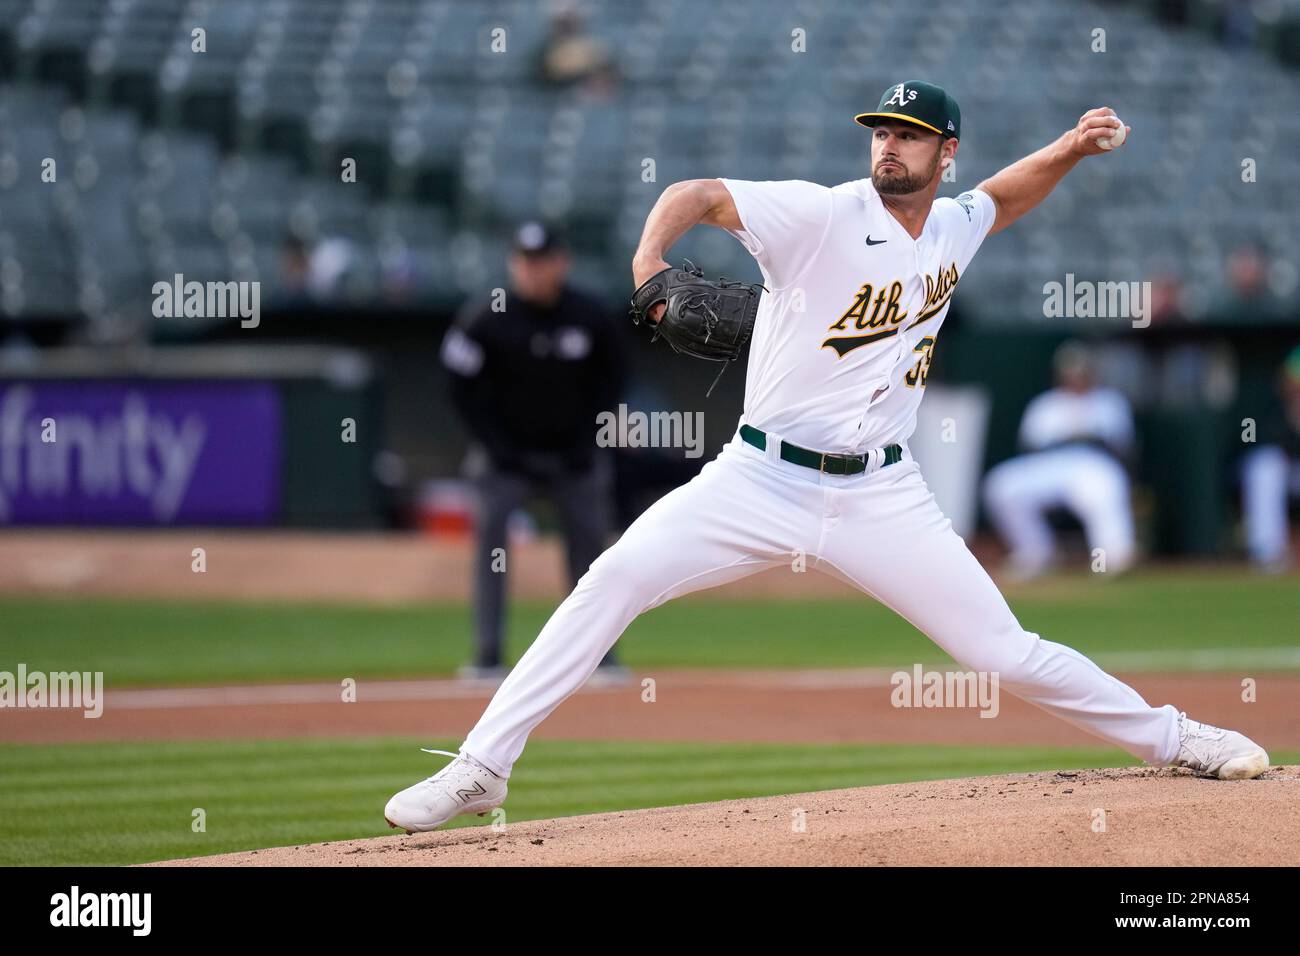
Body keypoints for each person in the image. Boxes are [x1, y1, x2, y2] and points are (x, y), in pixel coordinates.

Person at [387, 82, 1269, 832]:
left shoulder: (953, 225)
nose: (890, 146)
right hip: (758, 475)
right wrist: (648, 260)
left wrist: (1072, 147)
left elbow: (1004, 196)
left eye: (910, 135)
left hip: (883, 491)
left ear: (944, 151)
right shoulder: (822, 212)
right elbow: (698, 192)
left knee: (1001, 650)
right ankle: (482, 767)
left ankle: (1177, 737)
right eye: (882, 131)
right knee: (612, 579)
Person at [439, 221, 628, 683]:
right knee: (491, 549)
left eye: (543, 261)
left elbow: (615, 381)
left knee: (592, 557)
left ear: (562, 263)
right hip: (505, 460)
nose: (534, 271)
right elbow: (458, 385)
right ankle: (487, 654)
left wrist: (587, 441)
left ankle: (598, 658)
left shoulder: (589, 315)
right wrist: (497, 446)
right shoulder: (488, 315)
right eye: (525, 262)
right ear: (513, 264)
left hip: (574, 458)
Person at [983, 341, 1138, 580]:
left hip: (1092, 464)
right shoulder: (1046, 404)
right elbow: (1031, 448)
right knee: (1002, 485)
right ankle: (1035, 552)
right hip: (1051, 466)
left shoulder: (1109, 401)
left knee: (1103, 484)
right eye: (1071, 373)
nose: (1076, 378)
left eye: (1081, 372)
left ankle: (1114, 554)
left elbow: (1122, 447)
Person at [1240, 345, 1300, 572]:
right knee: (1264, 466)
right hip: (1286, 470)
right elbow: (1250, 437)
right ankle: (1268, 553)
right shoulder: (1267, 404)